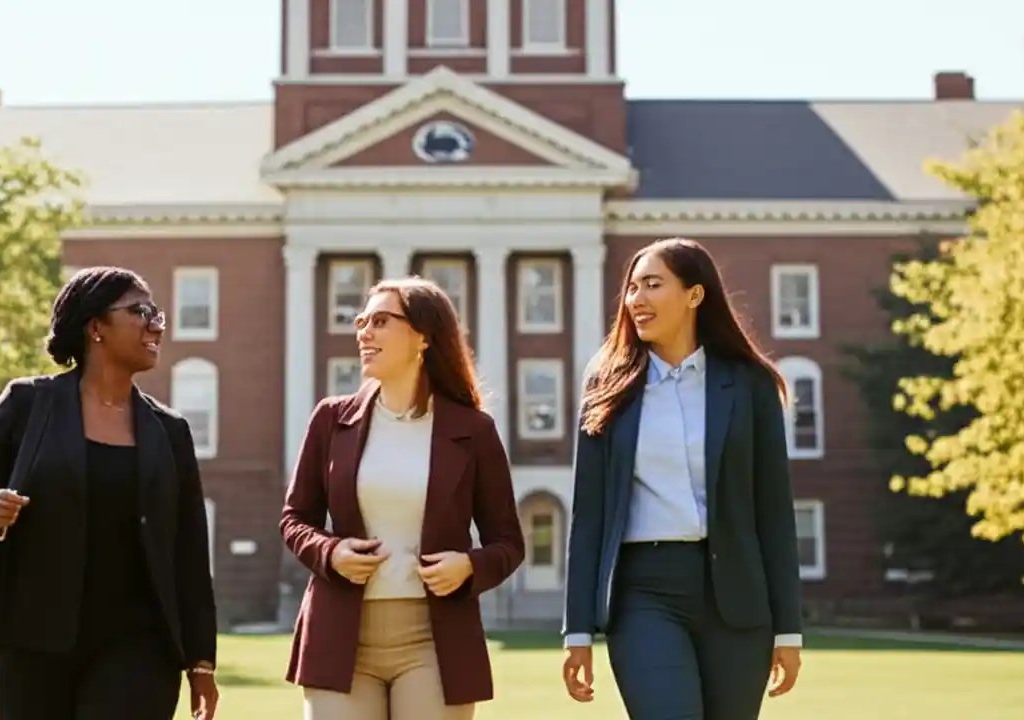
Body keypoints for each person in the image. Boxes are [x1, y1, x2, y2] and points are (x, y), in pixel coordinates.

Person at [0, 266, 220, 720]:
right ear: (96, 327)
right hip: (33, 638)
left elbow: (188, 552)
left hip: (141, 644)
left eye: (159, 314)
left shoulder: (170, 432)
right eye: (141, 312)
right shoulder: (26, 405)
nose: (156, 324)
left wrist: (201, 661)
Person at [560, 238, 804, 719]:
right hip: (643, 595)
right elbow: (588, 514)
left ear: (695, 295)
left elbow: (774, 511)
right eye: (632, 289)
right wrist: (578, 630)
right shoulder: (606, 381)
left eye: (653, 285)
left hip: (737, 599)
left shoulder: (749, 383)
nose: (636, 300)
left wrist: (789, 629)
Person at [280, 277, 525, 719]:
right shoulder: (331, 420)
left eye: (380, 321)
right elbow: (295, 518)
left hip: (435, 642)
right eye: (361, 321)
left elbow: (508, 541)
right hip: (339, 640)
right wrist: (331, 552)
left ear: (423, 337)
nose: (363, 333)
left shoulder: (473, 431)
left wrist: (469, 566)